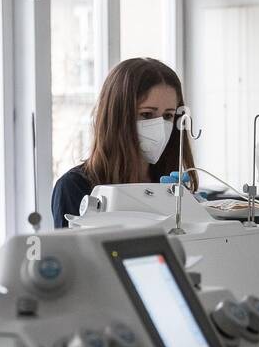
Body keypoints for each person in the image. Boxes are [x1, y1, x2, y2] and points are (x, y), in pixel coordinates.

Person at [51, 57, 196, 228]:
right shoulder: (75, 187)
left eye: (168, 116)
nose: (160, 127)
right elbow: (75, 253)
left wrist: (192, 211)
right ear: (117, 116)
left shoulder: (170, 184)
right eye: (147, 114)